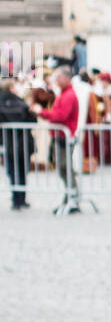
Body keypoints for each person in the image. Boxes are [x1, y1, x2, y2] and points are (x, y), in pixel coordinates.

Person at [32, 66, 81, 213]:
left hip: (64, 136)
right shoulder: (65, 94)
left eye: (58, 77)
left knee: (65, 168)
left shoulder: (68, 95)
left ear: (66, 78)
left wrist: (42, 113)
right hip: (60, 136)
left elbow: (60, 116)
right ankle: (70, 196)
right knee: (63, 168)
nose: (56, 80)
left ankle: (73, 198)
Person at [0, 77, 36, 209]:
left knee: (13, 170)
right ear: (11, 88)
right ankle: (20, 198)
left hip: (9, 142)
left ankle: (16, 199)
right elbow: (32, 119)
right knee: (22, 170)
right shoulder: (20, 102)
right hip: (23, 141)